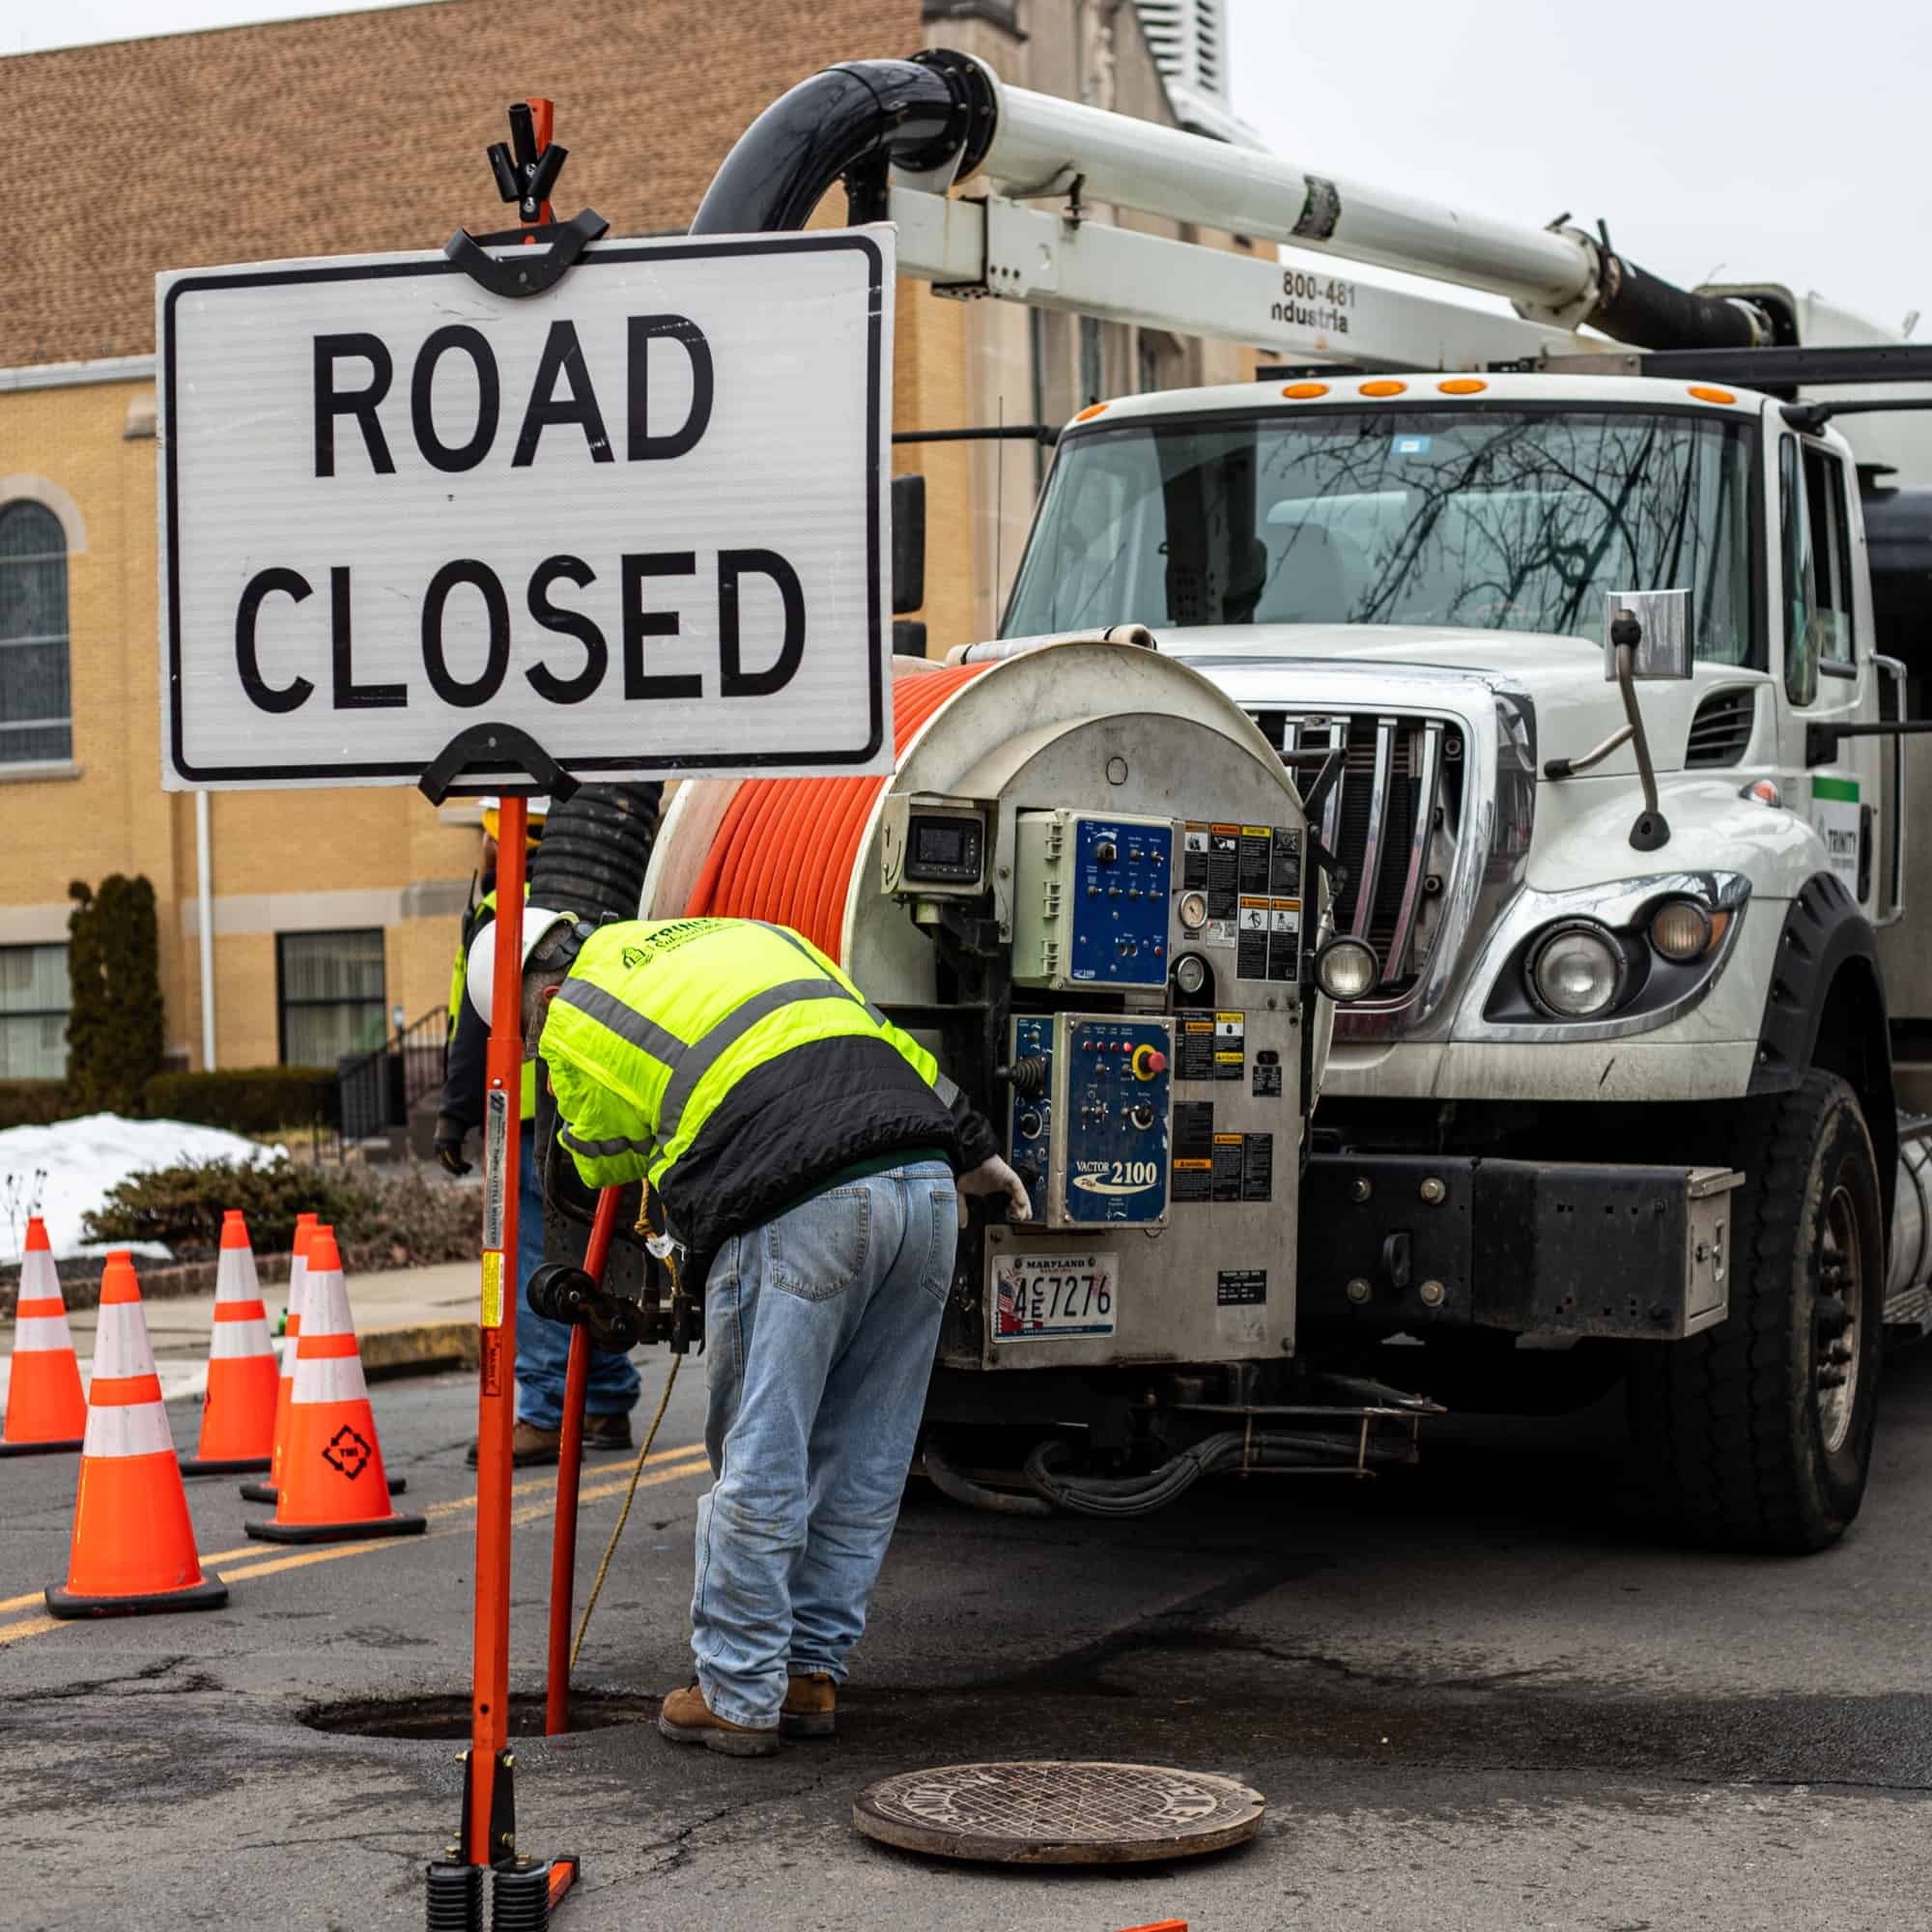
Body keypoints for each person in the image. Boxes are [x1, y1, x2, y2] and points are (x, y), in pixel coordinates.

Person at [465, 907, 1027, 1757]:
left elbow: (597, 1157)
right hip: (925, 1188)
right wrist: (976, 1151)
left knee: (763, 1454)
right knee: (866, 1458)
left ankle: (736, 1691)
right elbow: (895, 1049)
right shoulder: (746, 938)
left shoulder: (574, 1010)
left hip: (798, 1205)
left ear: (536, 1000)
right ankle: (808, 1673)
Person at [437, 799, 640, 1466]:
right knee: (592, 1252)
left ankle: (548, 1409)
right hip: (591, 1105)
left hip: (527, 1114)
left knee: (537, 1262)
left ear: (502, 837)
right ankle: (604, 1398)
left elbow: (479, 1021)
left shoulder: (509, 912)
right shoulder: (591, 905)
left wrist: (455, 1114)